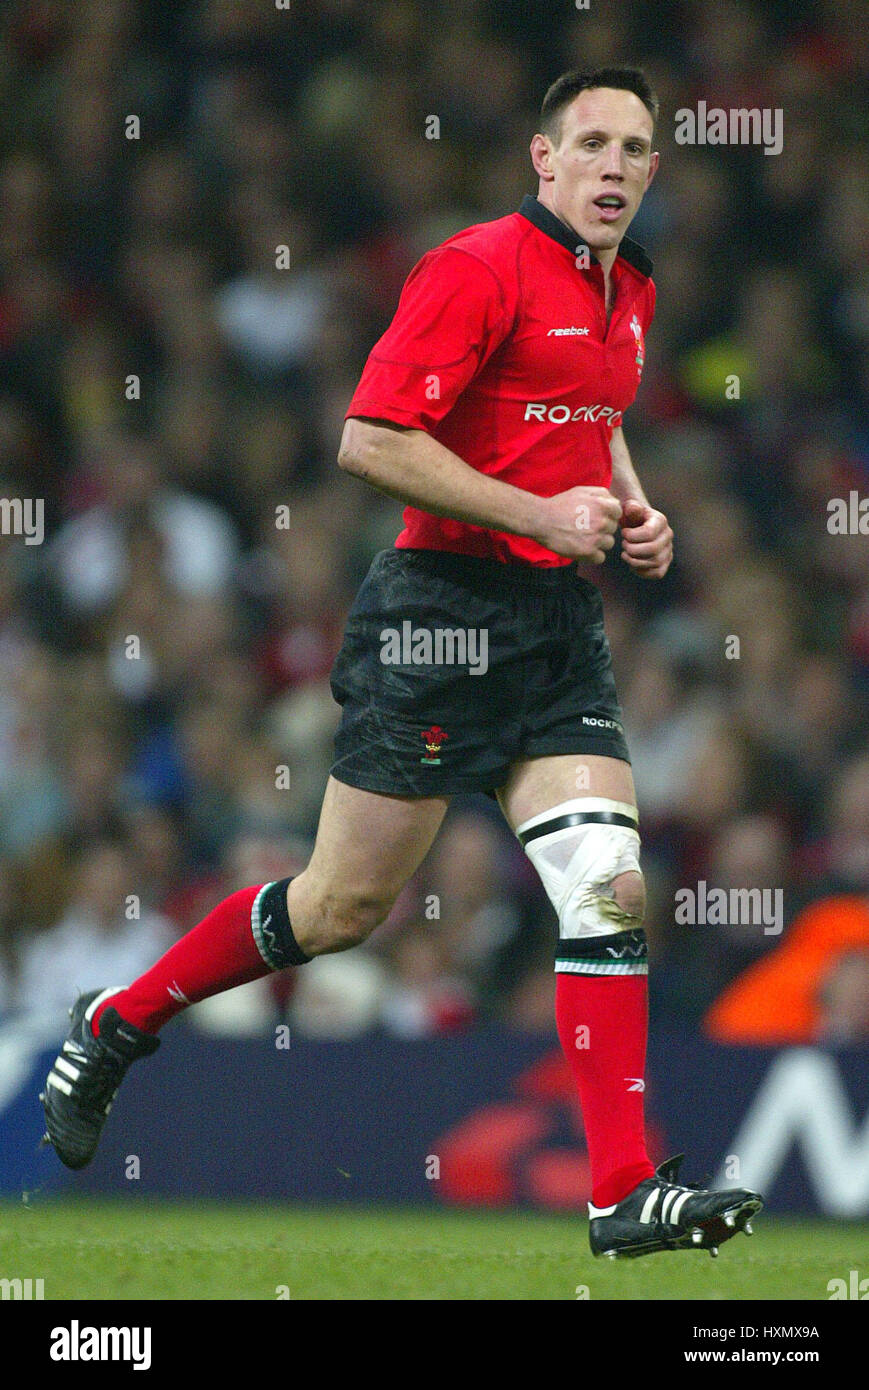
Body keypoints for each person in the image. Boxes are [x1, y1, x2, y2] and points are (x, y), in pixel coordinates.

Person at [40, 67, 761, 1260]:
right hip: (436, 619)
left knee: (610, 885)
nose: (614, 167)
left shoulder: (628, 283)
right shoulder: (474, 267)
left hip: (551, 628)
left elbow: (590, 411)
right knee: (340, 908)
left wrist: (633, 506)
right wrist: (532, 515)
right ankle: (116, 1022)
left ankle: (621, 1189)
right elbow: (367, 439)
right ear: (543, 158)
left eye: (636, 149)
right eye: (590, 143)